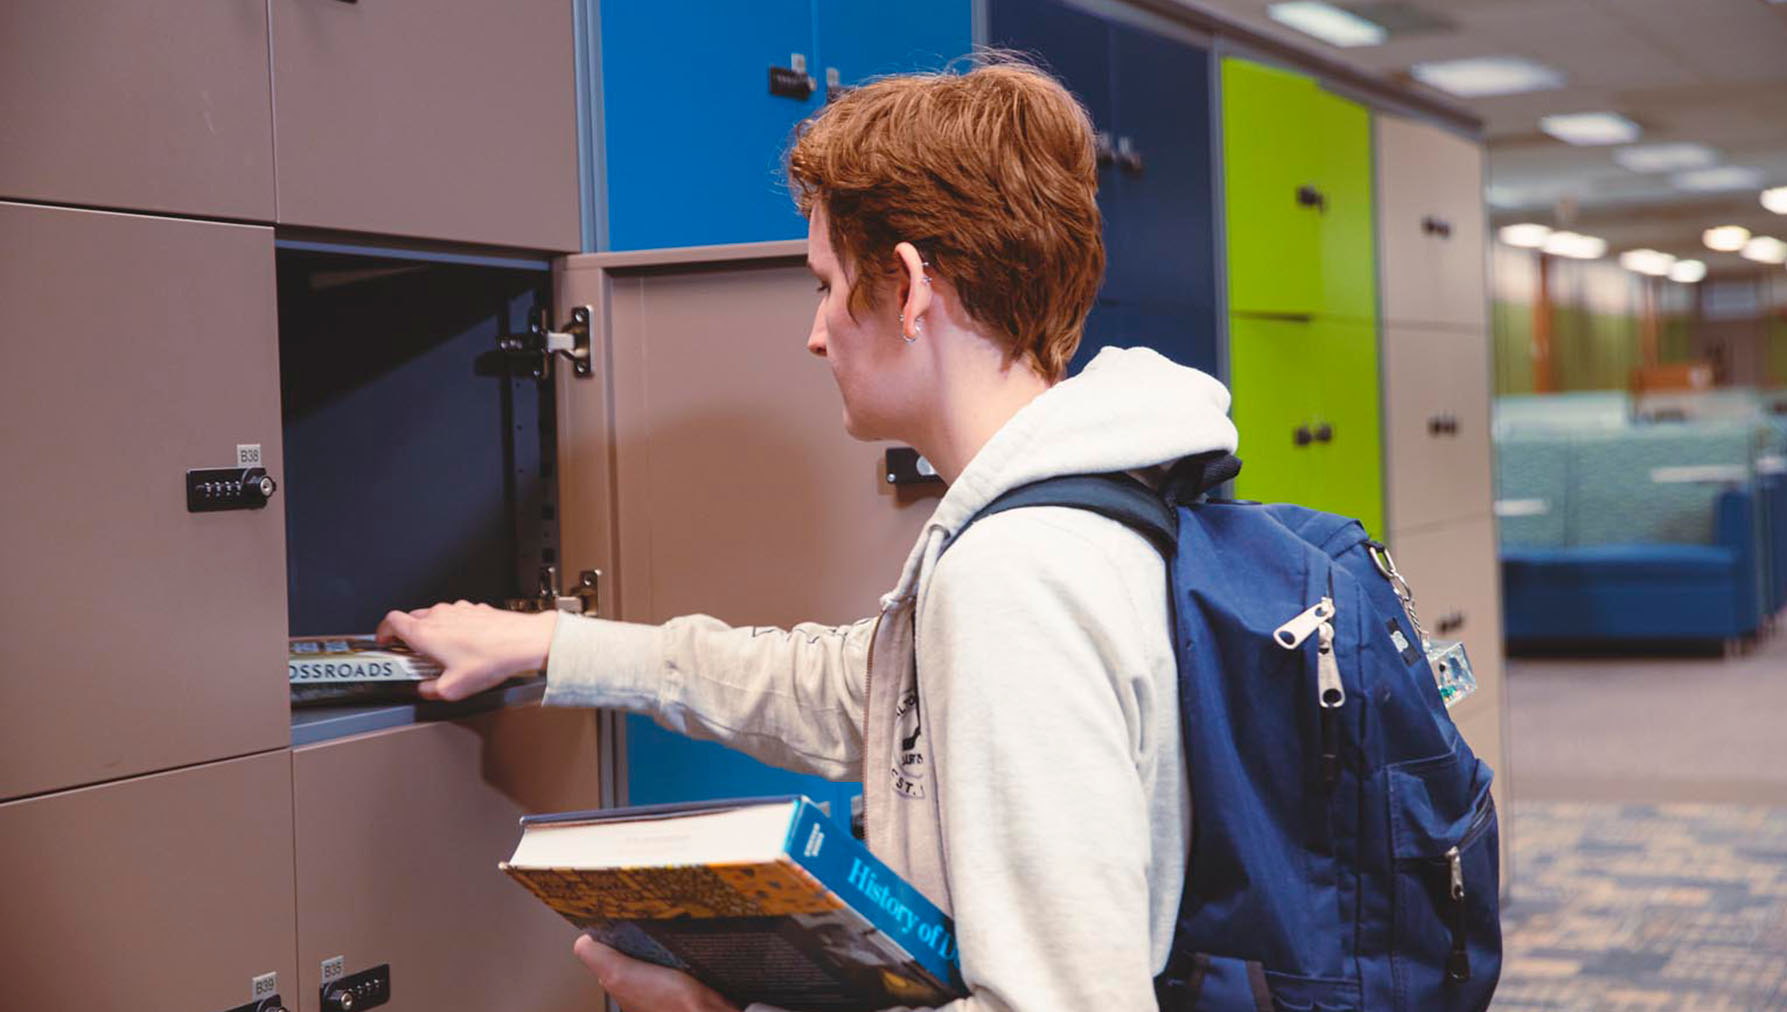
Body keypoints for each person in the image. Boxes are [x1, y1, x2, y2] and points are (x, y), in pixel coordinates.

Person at [376, 59, 1237, 1011]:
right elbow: (849, 691)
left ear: (908, 289)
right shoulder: (1079, 507)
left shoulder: (1019, 577)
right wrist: (553, 644)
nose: (817, 333)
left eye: (827, 282)